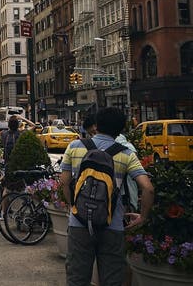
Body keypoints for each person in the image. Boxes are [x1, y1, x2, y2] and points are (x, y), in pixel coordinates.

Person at [59, 106, 154, 286]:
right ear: (121, 129)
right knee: (112, 279)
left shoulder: (75, 147)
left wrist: (72, 205)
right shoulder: (126, 154)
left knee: (77, 278)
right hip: (113, 225)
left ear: (96, 125)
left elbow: (64, 182)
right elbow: (148, 189)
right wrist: (143, 216)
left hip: (79, 224)